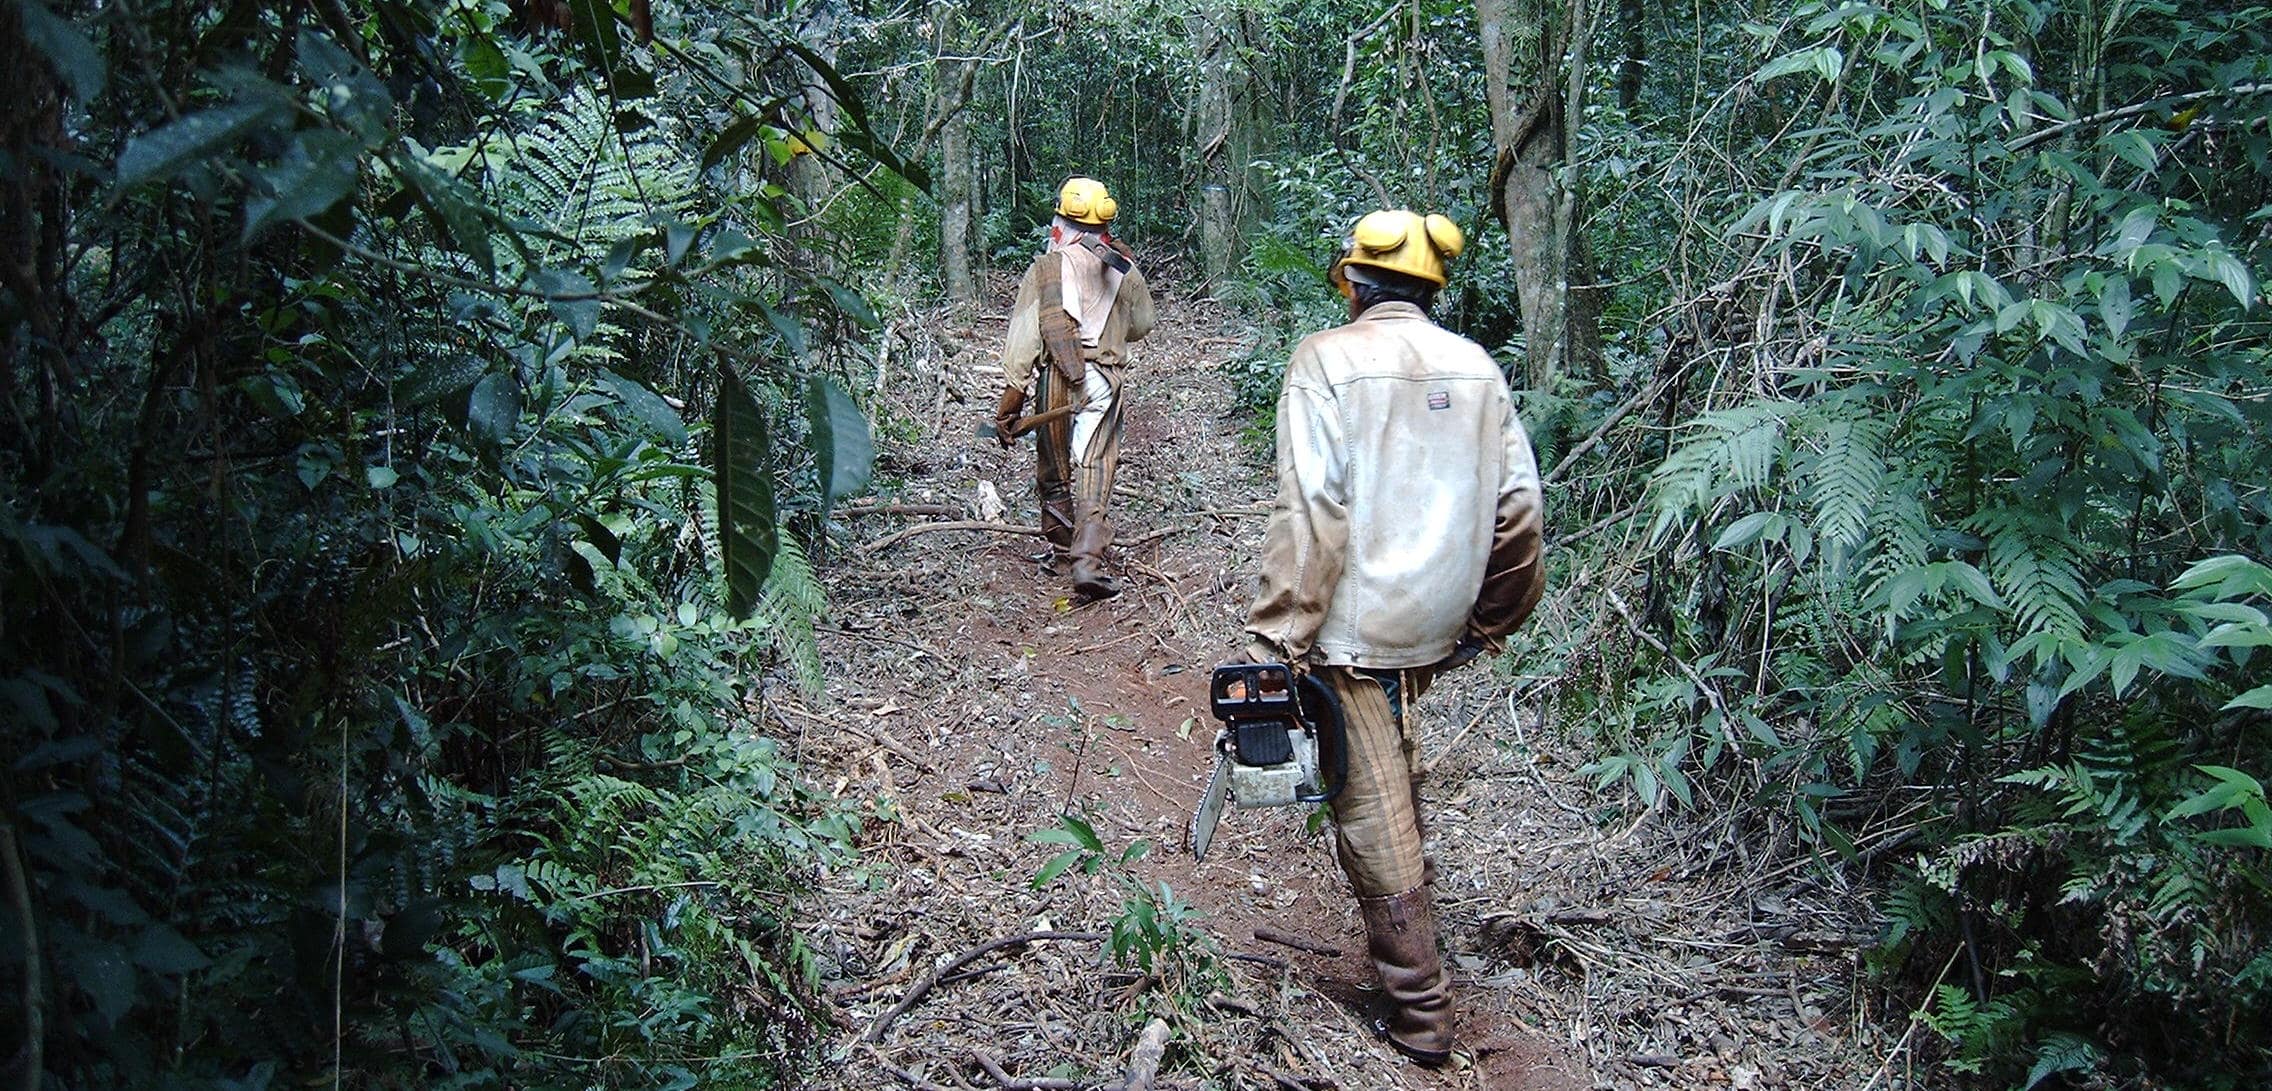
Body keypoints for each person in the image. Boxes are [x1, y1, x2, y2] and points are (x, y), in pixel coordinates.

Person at [1231, 209, 1546, 1066]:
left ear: (1355, 285)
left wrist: (1277, 636)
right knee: (1391, 779)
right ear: (1431, 286)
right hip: (1436, 628)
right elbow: (1520, 512)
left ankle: (1420, 1012)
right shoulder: (1477, 366)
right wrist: (1488, 622)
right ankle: (1418, 962)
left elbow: (1315, 511)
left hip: (1352, 632)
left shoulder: (1326, 360)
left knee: (1371, 811)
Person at [993, 177, 1157, 599]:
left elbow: (1021, 349)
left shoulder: (1045, 268)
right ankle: (1087, 562)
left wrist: (1008, 408)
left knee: (1054, 466)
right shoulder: (1124, 267)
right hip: (1102, 379)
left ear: (1059, 225)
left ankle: (1065, 550)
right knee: (1094, 464)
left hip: (1055, 379)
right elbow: (1142, 325)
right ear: (1105, 226)